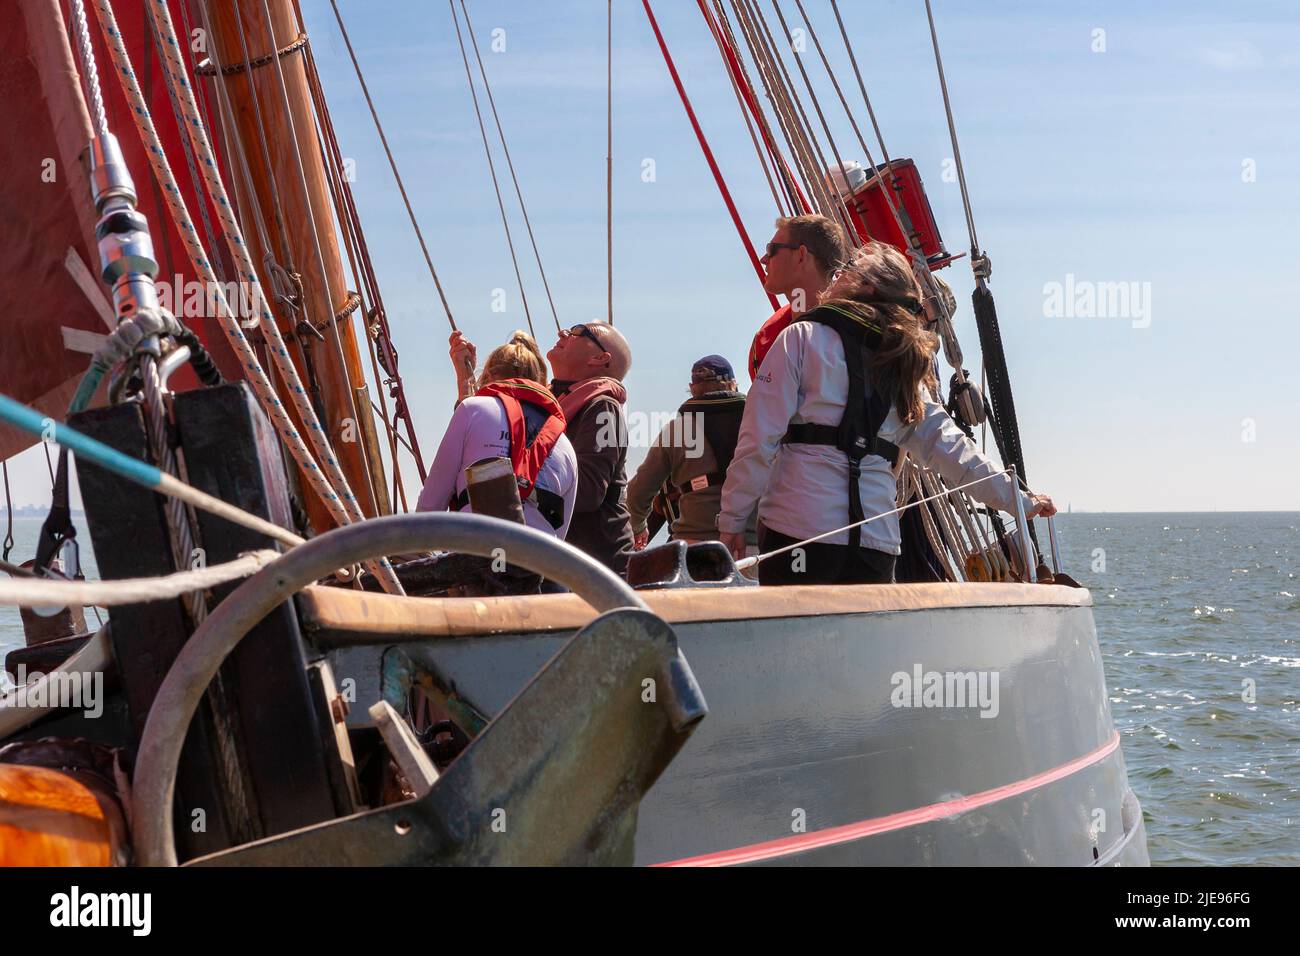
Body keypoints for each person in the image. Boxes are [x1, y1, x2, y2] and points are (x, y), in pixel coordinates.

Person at [717, 241, 1056, 586]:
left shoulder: (800, 339)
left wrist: (731, 523)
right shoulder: (902, 363)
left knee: (796, 638)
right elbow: (951, 449)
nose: (836, 275)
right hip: (875, 547)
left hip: (799, 537)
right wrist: (1018, 500)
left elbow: (757, 442)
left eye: (847, 268)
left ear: (867, 287)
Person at [417, 330, 578, 539]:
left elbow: (431, 506)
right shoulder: (566, 446)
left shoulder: (472, 409)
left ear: (489, 376)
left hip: (474, 555)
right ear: (540, 382)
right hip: (538, 565)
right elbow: (560, 533)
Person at [627, 355, 746, 547]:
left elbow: (637, 494)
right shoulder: (759, 425)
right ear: (733, 384)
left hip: (694, 545)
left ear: (692, 389)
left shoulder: (677, 431)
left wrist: (639, 526)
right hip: (748, 546)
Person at [546, 321, 636, 574]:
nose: (563, 333)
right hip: (567, 565)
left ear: (600, 358)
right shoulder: (551, 405)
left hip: (598, 571)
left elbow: (587, 492)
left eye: (577, 332)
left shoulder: (603, 409)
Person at [748, 214, 849, 382]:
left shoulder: (851, 330)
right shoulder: (767, 339)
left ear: (801, 255)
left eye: (772, 250)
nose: (763, 259)